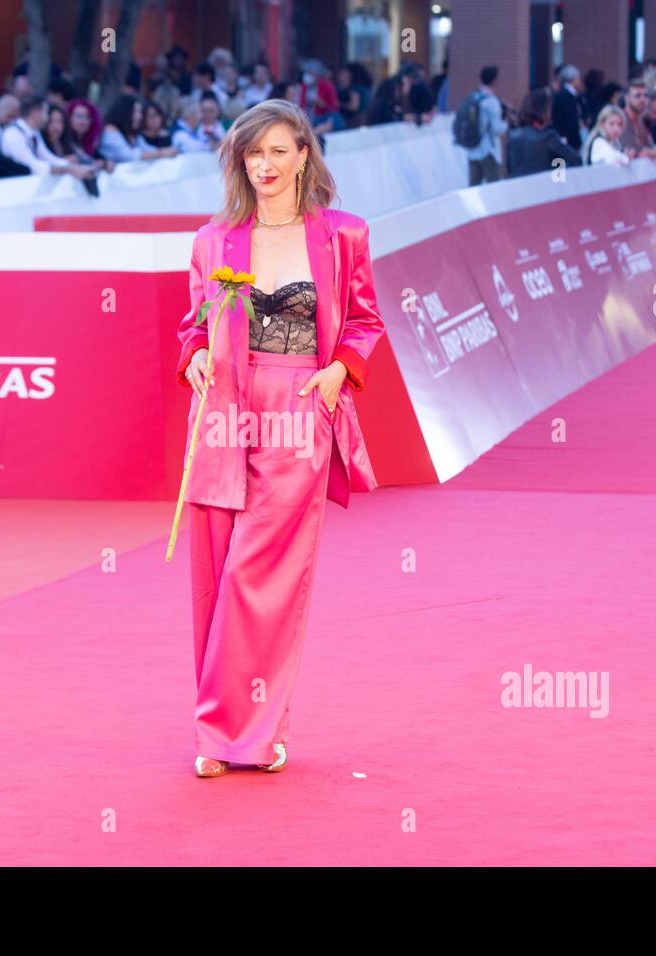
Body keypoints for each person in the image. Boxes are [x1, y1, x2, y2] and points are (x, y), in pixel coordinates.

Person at [174, 99, 385, 777]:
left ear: (303, 156)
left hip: (299, 410)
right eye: (251, 153)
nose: (263, 166)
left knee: (259, 569)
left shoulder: (343, 234)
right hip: (225, 412)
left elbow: (364, 321)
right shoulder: (214, 240)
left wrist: (337, 373)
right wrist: (194, 355)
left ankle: (230, 735)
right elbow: (194, 323)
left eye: (276, 152)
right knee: (216, 568)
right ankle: (234, 730)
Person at [505, 88, 582, 178]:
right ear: (542, 110)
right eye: (550, 107)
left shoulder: (512, 136)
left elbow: (510, 169)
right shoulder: (548, 137)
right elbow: (577, 160)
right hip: (545, 185)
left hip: (519, 185)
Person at [454, 64, 509, 186]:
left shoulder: (472, 97)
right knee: (494, 188)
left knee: (473, 189)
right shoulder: (491, 101)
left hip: (472, 150)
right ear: (494, 81)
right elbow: (497, 129)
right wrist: (506, 124)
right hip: (488, 151)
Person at [552, 64, 585, 150]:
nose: (579, 80)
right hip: (569, 140)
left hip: (568, 138)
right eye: (578, 77)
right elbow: (569, 118)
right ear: (572, 79)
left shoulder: (567, 95)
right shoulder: (566, 96)